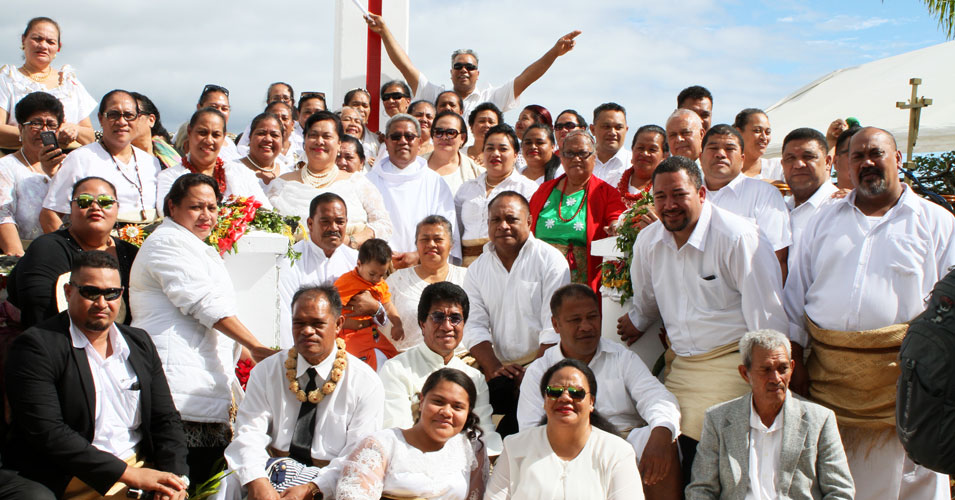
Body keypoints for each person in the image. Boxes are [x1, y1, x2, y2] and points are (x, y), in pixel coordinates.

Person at [783, 127, 954, 499]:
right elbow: (796, 296)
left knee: (912, 482)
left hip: (909, 388)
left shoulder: (937, 221)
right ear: (845, 164)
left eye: (876, 154)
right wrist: (795, 355)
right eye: (857, 157)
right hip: (828, 383)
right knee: (834, 481)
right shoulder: (822, 221)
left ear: (898, 159)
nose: (867, 163)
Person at [616, 156, 788, 479]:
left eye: (679, 194)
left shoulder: (738, 237)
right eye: (661, 197)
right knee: (659, 442)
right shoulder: (648, 242)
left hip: (733, 364)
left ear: (702, 193)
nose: (669, 205)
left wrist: (769, 382)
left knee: (715, 458)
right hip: (680, 366)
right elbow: (648, 299)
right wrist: (637, 321)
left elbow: (767, 321)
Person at [129, 174, 277, 486]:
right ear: (172, 206)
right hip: (177, 391)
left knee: (205, 482)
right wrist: (257, 346)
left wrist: (252, 355)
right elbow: (204, 303)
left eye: (212, 207)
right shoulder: (167, 242)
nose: (206, 214)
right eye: (196, 207)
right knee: (178, 482)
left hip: (200, 388)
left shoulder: (195, 246)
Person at [4, 251, 189, 499]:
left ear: (121, 294)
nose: (102, 303)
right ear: (69, 292)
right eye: (91, 292)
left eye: (111, 293)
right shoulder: (37, 346)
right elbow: (48, 433)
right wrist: (130, 475)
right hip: (68, 473)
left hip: (138, 468)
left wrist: (175, 478)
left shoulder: (139, 343)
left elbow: (165, 419)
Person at [219, 285, 383, 500]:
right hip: (272, 471)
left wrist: (312, 488)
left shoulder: (365, 381)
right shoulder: (267, 371)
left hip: (330, 479)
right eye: (299, 323)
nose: (307, 331)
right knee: (228, 482)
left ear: (338, 324)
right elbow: (249, 433)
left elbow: (357, 455)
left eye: (317, 324)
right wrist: (257, 481)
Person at [519, 285, 683, 499]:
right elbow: (531, 432)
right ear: (555, 325)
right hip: (568, 449)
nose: (586, 326)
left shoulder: (621, 357)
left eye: (592, 317)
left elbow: (656, 397)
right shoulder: (539, 370)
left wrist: (662, 431)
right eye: (575, 320)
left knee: (662, 438)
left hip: (624, 442)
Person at [687, 329, 854, 500]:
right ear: (745, 373)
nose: (776, 378)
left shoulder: (820, 419)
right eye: (766, 370)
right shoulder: (718, 419)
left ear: (792, 368)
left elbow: (840, 491)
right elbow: (701, 489)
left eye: (783, 368)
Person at [463, 191, 570, 436]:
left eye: (511, 219)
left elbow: (553, 327)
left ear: (530, 221)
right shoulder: (477, 269)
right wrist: (494, 368)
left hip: (545, 364)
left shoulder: (550, 261)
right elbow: (474, 325)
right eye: (495, 220)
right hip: (497, 367)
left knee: (523, 431)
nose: (503, 226)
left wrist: (533, 373)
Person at [367, 13, 580, 120]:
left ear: (478, 73)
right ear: (451, 73)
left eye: (469, 66)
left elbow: (527, 77)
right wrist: (385, 31)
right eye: (458, 66)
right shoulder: (435, 95)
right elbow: (405, 66)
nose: (464, 70)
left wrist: (554, 52)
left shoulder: (491, 99)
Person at [485, 359, 644, 500]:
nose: (565, 398)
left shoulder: (617, 452)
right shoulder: (515, 447)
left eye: (576, 393)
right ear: (545, 400)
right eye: (555, 391)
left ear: (591, 402)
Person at [378, 282, 503, 455]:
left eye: (455, 318)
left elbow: (484, 434)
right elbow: (397, 434)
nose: (447, 326)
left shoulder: (474, 377)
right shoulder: (396, 369)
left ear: (463, 324)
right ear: (422, 323)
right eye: (437, 317)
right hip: (410, 464)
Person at [336, 368, 489, 500]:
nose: (446, 412)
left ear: (468, 413)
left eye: (457, 407)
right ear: (422, 401)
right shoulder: (381, 445)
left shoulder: (471, 449)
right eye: (438, 402)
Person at [8, 176, 138, 328]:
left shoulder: (130, 253)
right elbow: (38, 313)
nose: (96, 207)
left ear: (117, 208)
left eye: (105, 202)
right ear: (70, 209)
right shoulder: (47, 249)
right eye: (84, 201)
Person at [40, 89, 162, 231]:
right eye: (113, 115)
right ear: (100, 118)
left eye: (129, 115)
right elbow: (50, 214)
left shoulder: (151, 162)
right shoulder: (80, 158)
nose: (122, 121)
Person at [270, 111, 393, 248]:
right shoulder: (281, 184)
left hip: (348, 263)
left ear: (339, 144)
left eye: (327, 136)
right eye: (313, 135)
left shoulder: (357, 182)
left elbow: (383, 225)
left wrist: (350, 241)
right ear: (304, 141)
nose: (319, 141)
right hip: (294, 265)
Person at [530, 130, 626, 291]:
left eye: (582, 153)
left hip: (581, 285)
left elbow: (617, 216)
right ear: (561, 157)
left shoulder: (606, 192)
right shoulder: (545, 189)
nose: (576, 159)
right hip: (539, 278)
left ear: (594, 157)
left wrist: (616, 225)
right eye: (569, 153)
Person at [699, 124, 791, 277]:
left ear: (742, 159)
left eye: (729, 149)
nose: (720, 154)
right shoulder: (688, 195)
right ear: (701, 157)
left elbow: (777, 257)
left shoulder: (764, 194)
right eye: (713, 148)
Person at [366, 113, 458, 265]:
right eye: (396, 136)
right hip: (379, 267)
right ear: (386, 142)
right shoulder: (369, 181)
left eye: (409, 136)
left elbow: (447, 228)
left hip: (425, 265)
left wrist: (418, 255)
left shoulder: (435, 182)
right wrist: (384, 257)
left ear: (419, 142)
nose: (403, 141)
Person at [0, 17, 96, 149]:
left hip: (69, 162)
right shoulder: (7, 79)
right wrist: (46, 136)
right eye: (37, 39)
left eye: (50, 42)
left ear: (58, 47)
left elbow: (90, 136)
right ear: (24, 40)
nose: (43, 46)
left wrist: (74, 130)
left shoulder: (70, 82)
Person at [278, 193, 358, 348]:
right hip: (306, 348)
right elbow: (285, 320)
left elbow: (380, 311)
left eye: (340, 222)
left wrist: (376, 310)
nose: (334, 228)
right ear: (310, 223)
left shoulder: (357, 261)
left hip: (355, 348)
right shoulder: (290, 262)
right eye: (325, 222)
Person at [155, 107, 271, 212]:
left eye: (216, 135)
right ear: (190, 132)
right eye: (202, 133)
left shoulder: (241, 173)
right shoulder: (170, 177)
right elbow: (167, 213)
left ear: (223, 137)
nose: (209, 140)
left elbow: (267, 211)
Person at [455, 124, 538, 265]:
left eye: (503, 149)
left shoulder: (528, 188)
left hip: (509, 264)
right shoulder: (466, 189)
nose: (495, 153)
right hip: (467, 267)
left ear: (516, 155)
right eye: (490, 148)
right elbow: (456, 232)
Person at [385, 216, 466, 351]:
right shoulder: (396, 282)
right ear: (417, 244)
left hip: (462, 361)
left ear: (451, 245)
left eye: (438, 239)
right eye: (425, 239)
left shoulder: (468, 277)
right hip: (409, 364)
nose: (431, 244)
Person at [0, 92, 66, 254]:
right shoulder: (5, 166)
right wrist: (18, 259)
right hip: (24, 254)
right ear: (21, 129)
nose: (44, 131)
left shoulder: (69, 166)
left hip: (66, 254)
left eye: (50, 125)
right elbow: (3, 215)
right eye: (36, 124)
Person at [333, 238, 404, 370]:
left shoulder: (380, 284)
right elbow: (331, 307)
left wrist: (398, 324)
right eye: (372, 274)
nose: (376, 279)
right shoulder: (347, 282)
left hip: (371, 332)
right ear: (359, 264)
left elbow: (388, 306)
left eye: (381, 275)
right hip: (348, 334)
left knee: (394, 361)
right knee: (359, 367)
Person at [779, 128, 837, 266]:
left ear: (828, 162)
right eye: (790, 158)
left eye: (808, 156)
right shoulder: (779, 208)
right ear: (782, 165)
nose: (799, 164)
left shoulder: (842, 208)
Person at [173, 84, 241, 161]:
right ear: (199, 107)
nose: (219, 112)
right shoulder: (186, 133)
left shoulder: (230, 143)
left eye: (224, 108)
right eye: (213, 107)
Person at [424, 110, 483, 195]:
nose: (444, 137)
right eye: (439, 132)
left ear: (462, 138)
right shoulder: (415, 165)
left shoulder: (477, 173)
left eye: (451, 133)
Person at [616, 124, 667, 209]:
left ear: (664, 156)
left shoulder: (667, 189)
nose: (645, 154)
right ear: (632, 149)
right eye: (640, 148)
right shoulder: (613, 181)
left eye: (652, 150)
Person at [130, 92, 181, 170]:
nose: (124, 121)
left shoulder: (172, 156)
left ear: (151, 120)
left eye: (132, 114)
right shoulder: (116, 159)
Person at [733, 108, 783, 182]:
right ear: (738, 133)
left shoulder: (778, 167)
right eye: (757, 130)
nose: (764, 137)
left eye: (768, 132)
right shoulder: (725, 171)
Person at [239, 112, 286, 189]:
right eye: (261, 133)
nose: (268, 139)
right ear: (250, 137)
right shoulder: (233, 170)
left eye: (274, 135)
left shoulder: (287, 172)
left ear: (282, 140)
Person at [588, 102, 631, 185]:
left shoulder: (634, 165)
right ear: (592, 129)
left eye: (618, 127)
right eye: (606, 127)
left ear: (626, 130)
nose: (612, 132)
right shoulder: (579, 162)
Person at [342, 88, 381, 159]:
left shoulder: (377, 141)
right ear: (344, 106)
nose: (361, 109)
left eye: (365, 106)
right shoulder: (334, 137)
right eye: (356, 104)